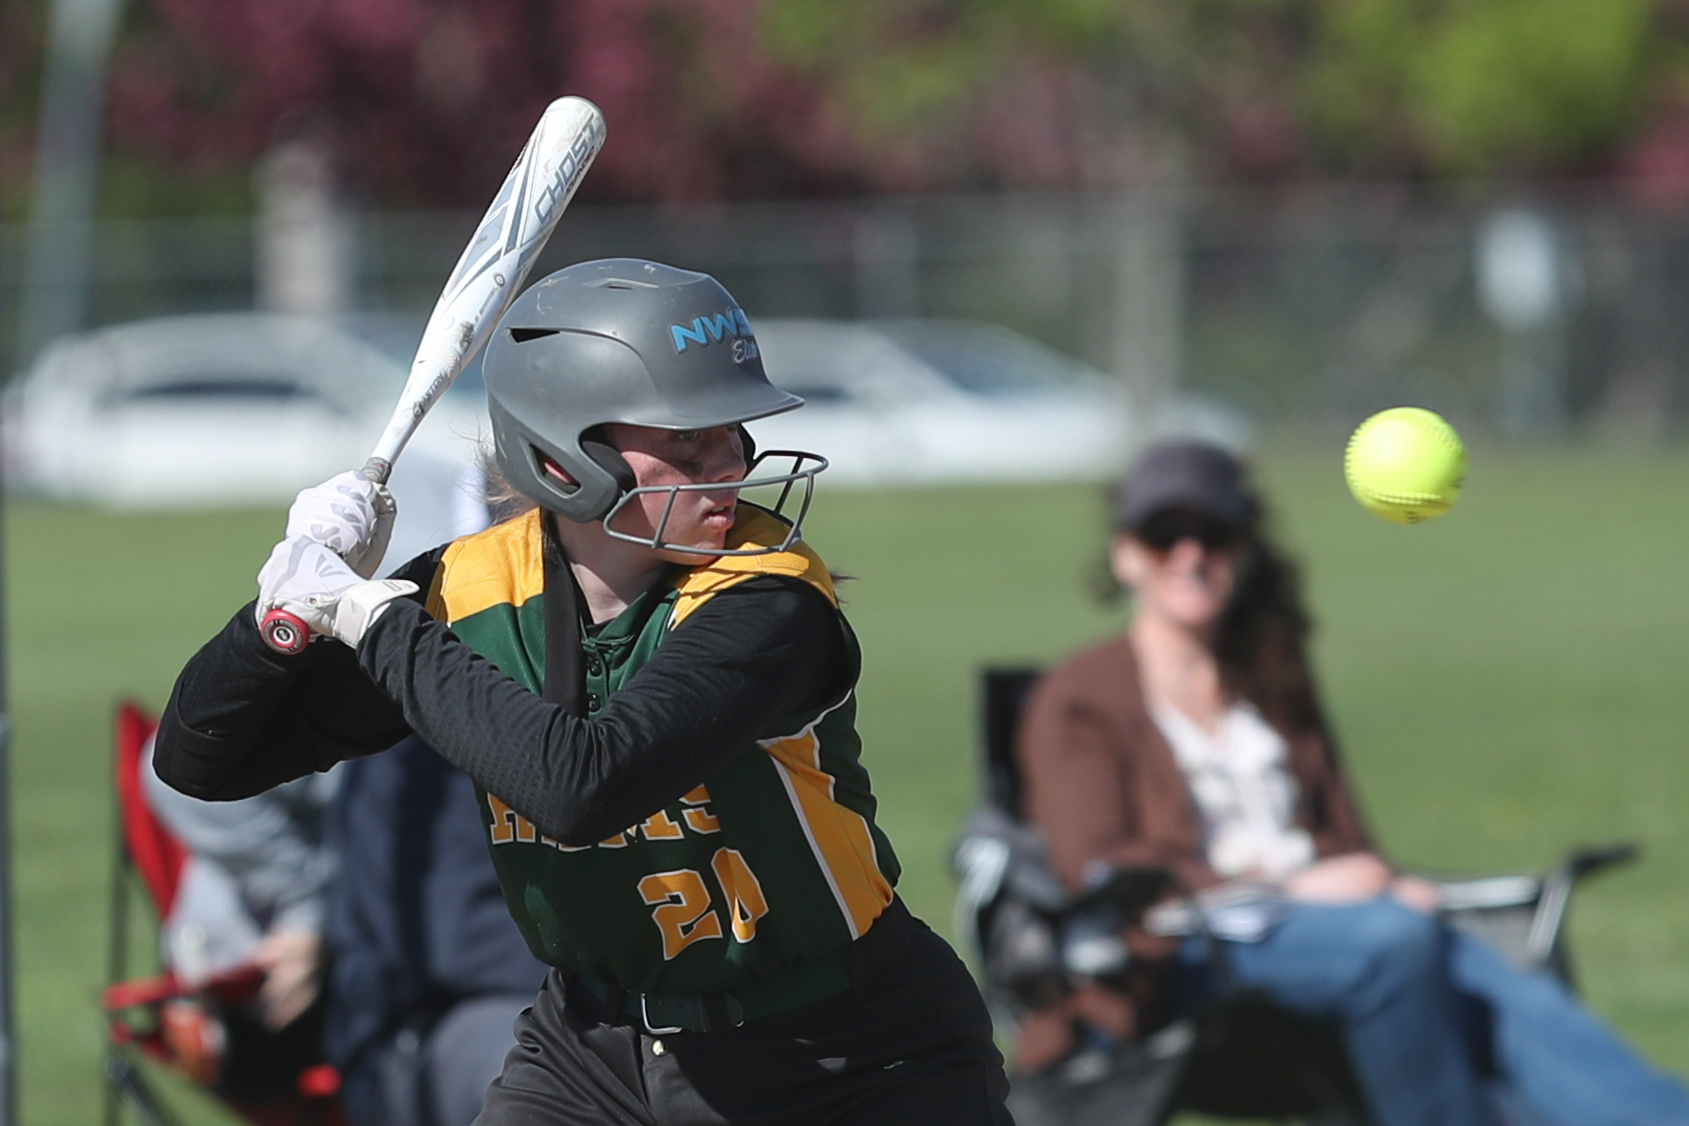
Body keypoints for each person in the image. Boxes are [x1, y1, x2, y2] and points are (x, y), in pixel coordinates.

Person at [153, 258, 1012, 1126]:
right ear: (563, 459)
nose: (732, 462)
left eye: (733, 429)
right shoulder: (470, 592)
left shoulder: (770, 601)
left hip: (842, 1050)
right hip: (592, 1051)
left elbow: (581, 789)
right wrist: (277, 618)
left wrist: (374, 622)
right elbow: (202, 760)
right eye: (687, 439)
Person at [1014, 439, 1689, 1126]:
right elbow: (1097, 865)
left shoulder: (1270, 673)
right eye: (1164, 536)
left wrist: (1388, 883)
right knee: (1395, 946)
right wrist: (1284, 888)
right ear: (1126, 555)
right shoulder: (1080, 695)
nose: (1191, 555)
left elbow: (1343, 831)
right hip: (1185, 947)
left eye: (1213, 533)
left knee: (1494, 979)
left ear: (1244, 550)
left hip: (1339, 923)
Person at [325, 735, 549, 1126]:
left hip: (564, 995)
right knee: (552, 1081)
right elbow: (452, 939)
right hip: (425, 1021)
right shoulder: (412, 743)